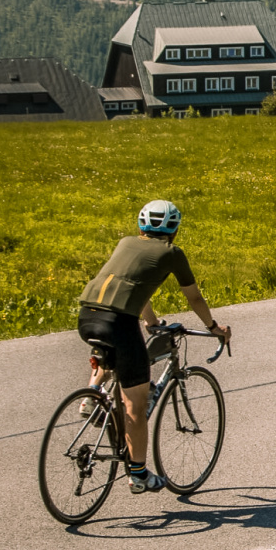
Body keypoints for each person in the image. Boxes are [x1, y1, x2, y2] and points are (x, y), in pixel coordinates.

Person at [77, 200, 231, 493]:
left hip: (88, 315)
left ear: (140, 226)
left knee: (113, 359)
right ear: (174, 230)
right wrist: (214, 327)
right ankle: (139, 474)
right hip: (119, 323)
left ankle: (93, 394)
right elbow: (194, 298)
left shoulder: (126, 243)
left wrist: (149, 322)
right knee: (135, 403)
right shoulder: (172, 253)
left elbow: (134, 285)